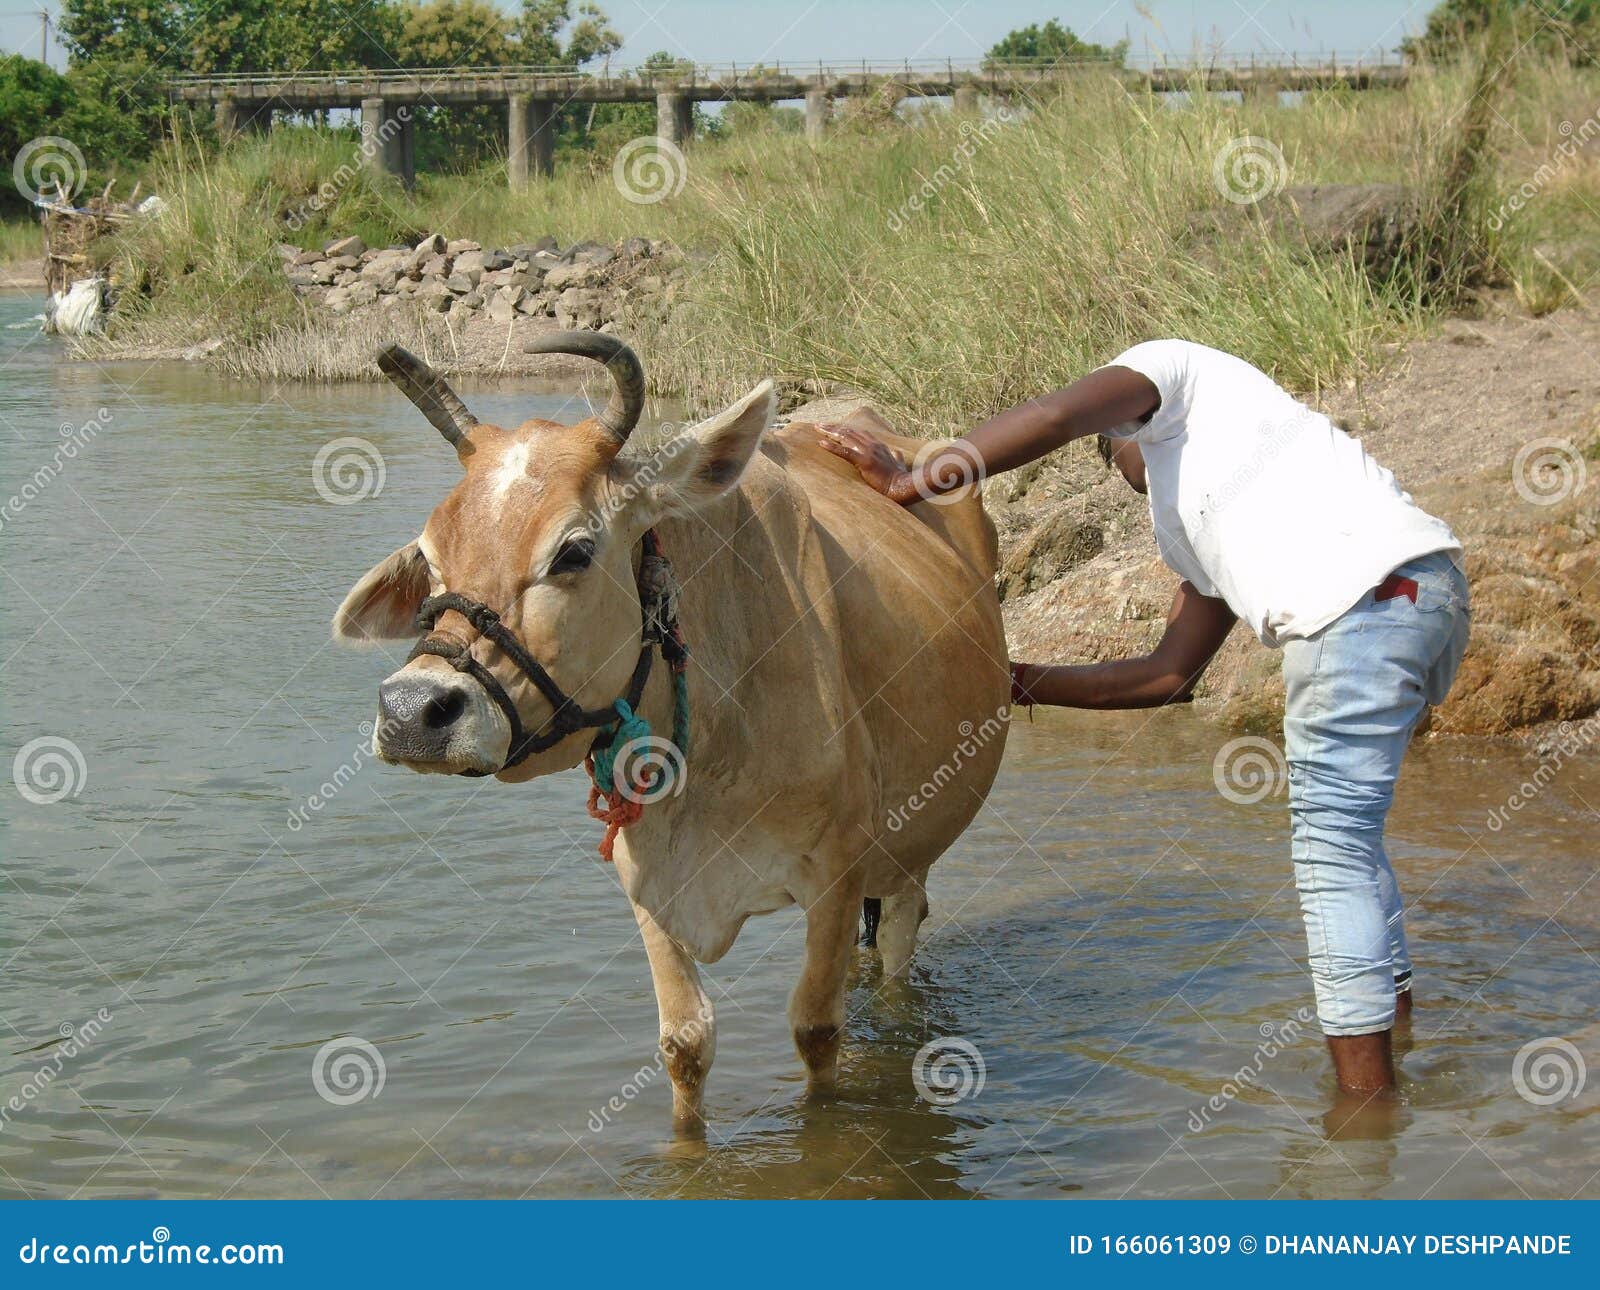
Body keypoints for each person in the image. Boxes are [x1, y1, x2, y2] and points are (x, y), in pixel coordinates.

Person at [819, 339, 1469, 1098]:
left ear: (1129, 418)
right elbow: (1167, 675)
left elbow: (1054, 415)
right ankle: (1396, 1031)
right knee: (1352, 842)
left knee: (1328, 856)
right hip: (1427, 594)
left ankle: (1365, 1110)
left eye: (1110, 444)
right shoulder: (1198, 515)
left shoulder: (1179, 371)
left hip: (1360, 607)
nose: (1112, 461)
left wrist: (916, 479)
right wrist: (1012, 683)